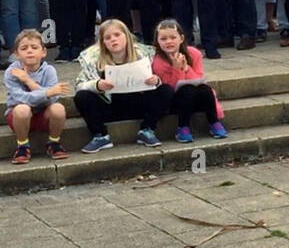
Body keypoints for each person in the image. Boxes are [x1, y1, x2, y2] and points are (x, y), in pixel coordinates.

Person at [74, 18, 174, 152]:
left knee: (166, 90)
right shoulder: (93, 60)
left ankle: (147, 129)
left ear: (126, 36)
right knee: (82, 96)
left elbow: (159, 80)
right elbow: (79, 85)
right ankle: (100, 136)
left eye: (117, 35)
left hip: (138, 104)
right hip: (110, 106)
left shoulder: (143, 55)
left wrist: (156, 81)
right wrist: (96, 85)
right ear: (103, 43)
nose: (113, 40)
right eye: (108, 37)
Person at [151, 18, 227, 142]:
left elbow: (199, 79)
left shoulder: (194, 53)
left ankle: (214, 122)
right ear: (157, 42)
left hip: (196, 96)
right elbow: (170, 88)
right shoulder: (158, 61)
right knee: (187, 90)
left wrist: (186, 68)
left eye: (173, 37)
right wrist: (177, 69)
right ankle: (183, 127)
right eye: (163, 39)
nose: (169, 42)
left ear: (181, 38)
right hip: (175, 101)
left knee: (205, 89)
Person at [5, 29, 71, 162]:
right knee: (22, 108)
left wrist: (28, 81)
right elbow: (20, 98)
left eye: (34, 47)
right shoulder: (12, 72)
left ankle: (54, 143)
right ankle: (22, 145)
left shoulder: (49, 70)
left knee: (58, 109)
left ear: (43, 52)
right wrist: (46, 92)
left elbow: (52, 99)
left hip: (43, 116)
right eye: (24, 48)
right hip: (19, 118)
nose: (29, 51)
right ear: (17, 54)